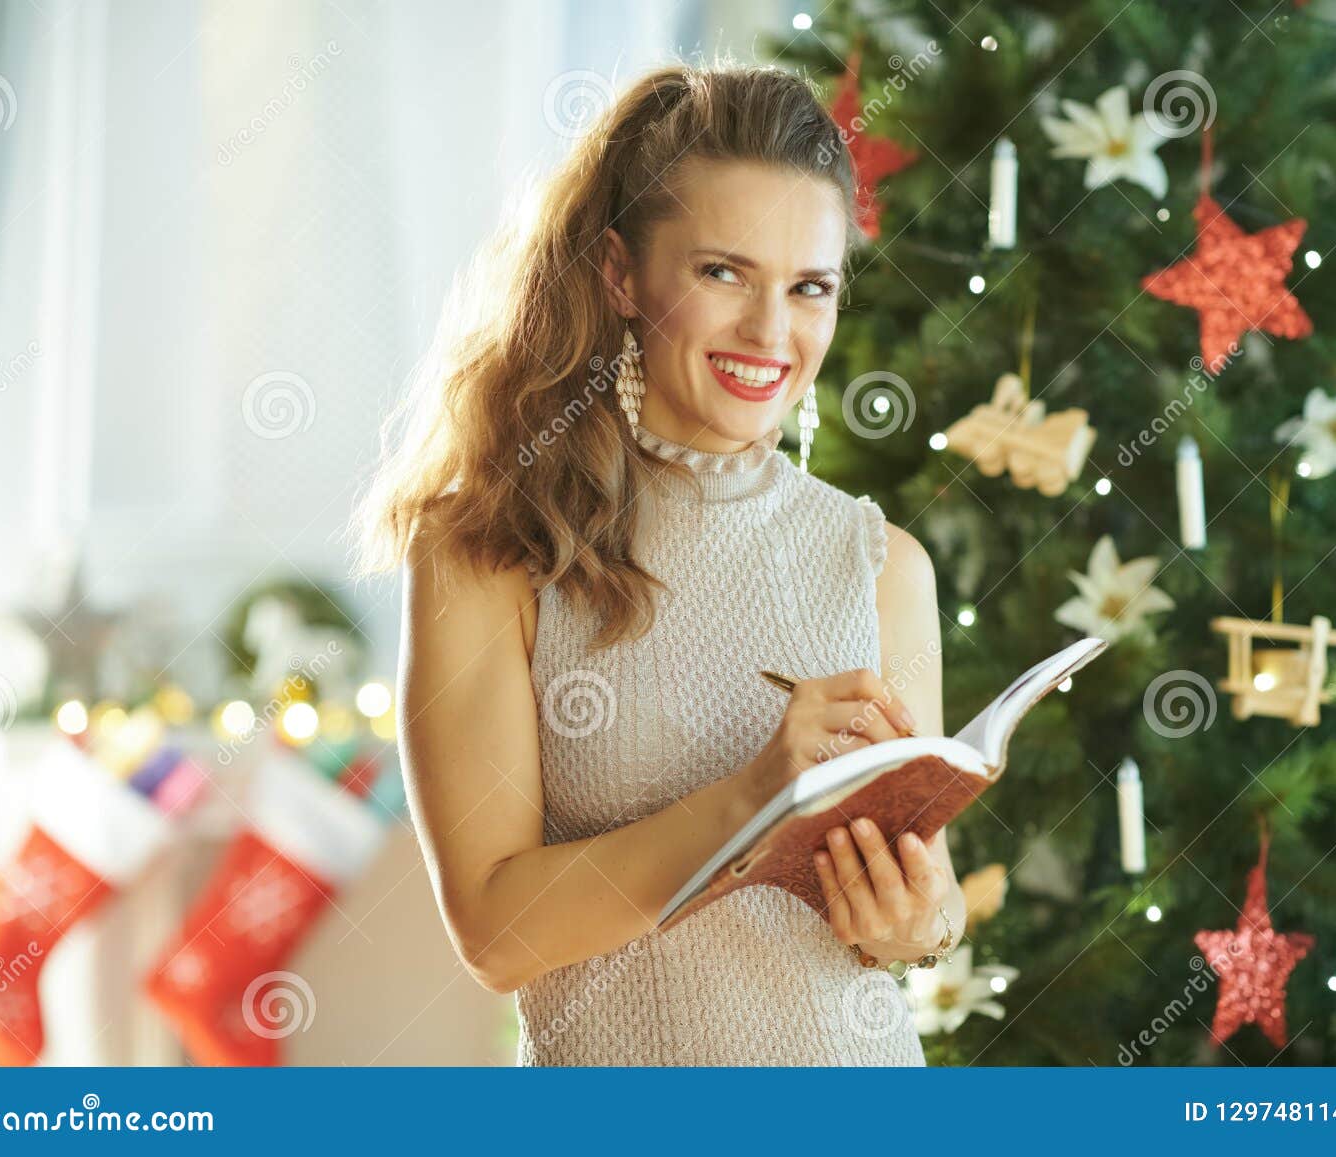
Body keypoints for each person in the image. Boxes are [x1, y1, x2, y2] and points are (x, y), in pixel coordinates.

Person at [352, 61, 965, 1065]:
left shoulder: (880, 565)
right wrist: (755, 805)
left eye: (808, 287)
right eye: (723, 272)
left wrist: (918, 918)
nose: (771, 332)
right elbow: (494, 932)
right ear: (619, 273)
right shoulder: (489, 551)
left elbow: (920, 917)